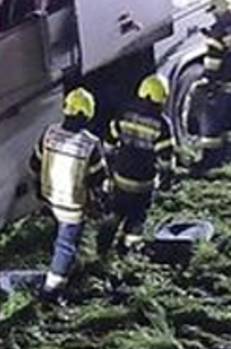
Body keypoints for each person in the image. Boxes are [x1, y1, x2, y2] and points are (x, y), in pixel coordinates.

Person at [29, 87, 107, 297]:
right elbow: (98, 180)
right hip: (73, 205)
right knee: (66, 244)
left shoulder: (49, 133)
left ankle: (61, 267)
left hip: (49, 197)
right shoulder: (90, 144)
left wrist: (39, 189)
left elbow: (34, 164)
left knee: (60, 235)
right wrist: (97, 204)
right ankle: (53, 288)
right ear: (87, 114)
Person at [98, 74, 176, 255]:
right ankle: (126, 249)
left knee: (115, 210)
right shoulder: (162, 124)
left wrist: (110, 166)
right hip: (143, 182)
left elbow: (109, 144)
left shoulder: (124, 113)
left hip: (120, 176)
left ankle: (103, 244)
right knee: (136, 218)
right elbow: (165, 158)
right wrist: (167, 178)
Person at [185, 0, 231, 173]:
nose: (213, 16)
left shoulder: (219, 32)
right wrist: (212, 36)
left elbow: (213, 63)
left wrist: (207, 82)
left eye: (213, 12)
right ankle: (228, 155)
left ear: (219, 10)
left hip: (225, 83)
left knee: (211, 121)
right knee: (229, 119)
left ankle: (209, 161)